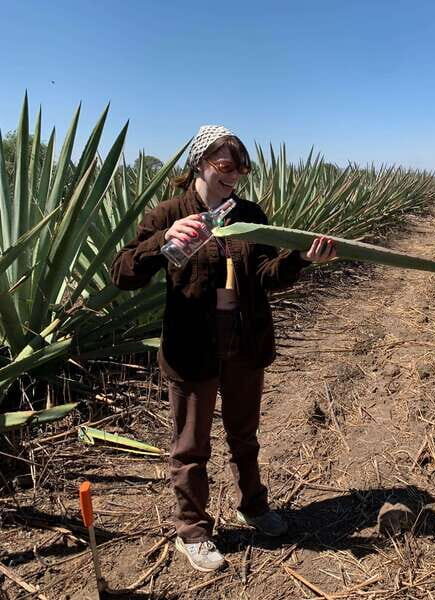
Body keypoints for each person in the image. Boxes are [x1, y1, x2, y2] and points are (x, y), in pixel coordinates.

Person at [111, 125, 337, 572]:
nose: (235, 175)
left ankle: (253, 506)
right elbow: (122, 275)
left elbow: (266, 275)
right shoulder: (169, 213)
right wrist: (163, 240)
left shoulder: (249, 214)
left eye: (242, 168)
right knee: (190, 446)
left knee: (244, 435)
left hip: (244, 343)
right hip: (191, 348)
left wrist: (301, 259)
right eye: (226, 165)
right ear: (200, 163)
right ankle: (193, 530)